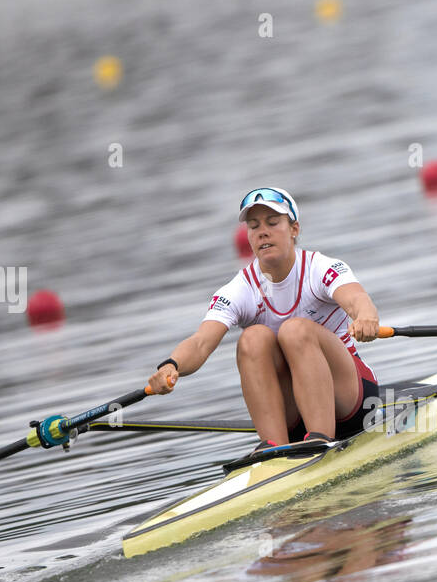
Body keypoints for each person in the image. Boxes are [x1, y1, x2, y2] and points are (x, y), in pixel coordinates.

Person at [147, 187, 382, 452]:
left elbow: (357, 300)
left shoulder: (320, 268)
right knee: (252, 339)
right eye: (254, 226)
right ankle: (273, 447)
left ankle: (320, 439)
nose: (262, 232)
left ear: (294, 229)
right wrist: (171, 365)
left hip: (350, 402)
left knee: (294, 331)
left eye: (273, 223)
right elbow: (201, 342)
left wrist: (366, 318)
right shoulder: (239, 289)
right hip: (292, 415)